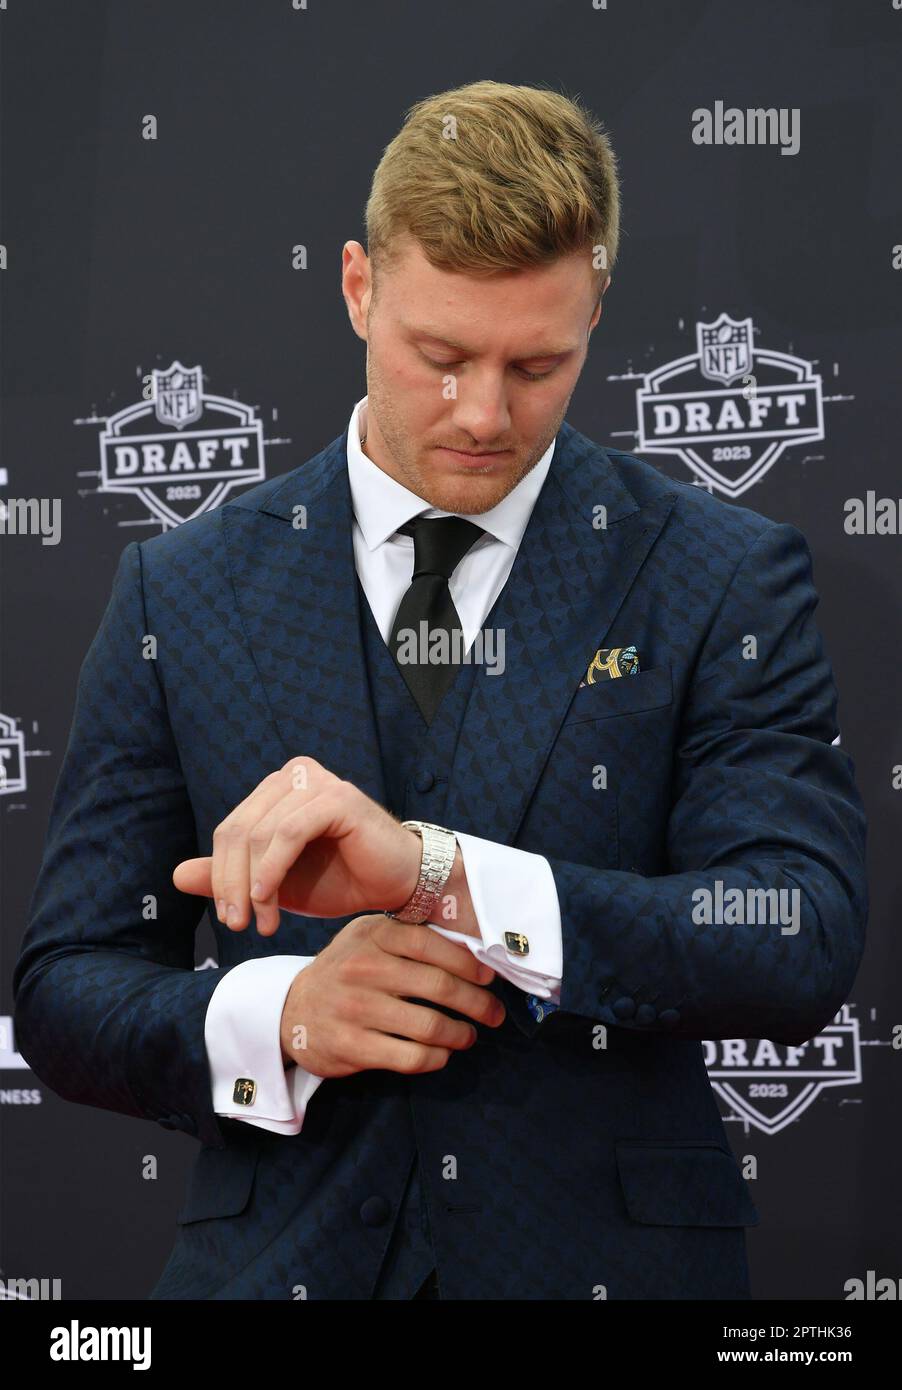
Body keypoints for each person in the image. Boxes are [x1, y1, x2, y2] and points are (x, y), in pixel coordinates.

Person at [14, 79, 867, 1301]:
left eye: (538, 363)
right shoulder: (181, 590)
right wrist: (282, 1014)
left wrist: (439, 877)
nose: (485, 414)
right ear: (358, 287)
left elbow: (795, 931)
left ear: (595, 310)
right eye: (441, 357)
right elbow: (66, 985)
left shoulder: (716, 574)